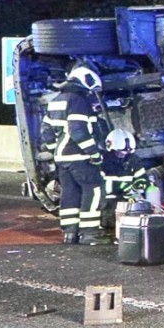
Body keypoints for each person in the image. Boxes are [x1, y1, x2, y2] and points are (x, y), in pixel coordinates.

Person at [45, 65, 107, 244]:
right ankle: (89, 233)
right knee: (93, 189)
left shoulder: (56, 100)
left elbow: (46, 130)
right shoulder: (78, 100)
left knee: (70, 193)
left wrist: (54, 149)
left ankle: (70, 233)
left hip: (62, 159)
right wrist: (94, 153)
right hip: (79, 157)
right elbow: (78, 130)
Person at [101, 129, 163, 209]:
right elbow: (98, 185)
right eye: (120, 152)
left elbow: (142, 179)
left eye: (127, 152)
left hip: (129, 202)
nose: (124, 155)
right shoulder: (102, 161)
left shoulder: (133, 159)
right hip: (106, 202)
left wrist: (136, 189)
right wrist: (122, 186)